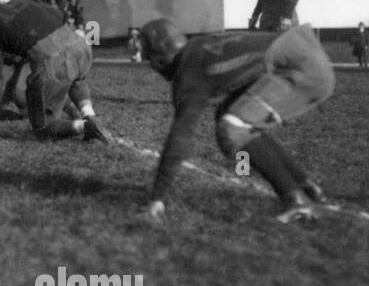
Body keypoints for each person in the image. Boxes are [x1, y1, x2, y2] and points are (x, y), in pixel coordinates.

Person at [139, 18, 335, 224]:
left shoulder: (189, 72)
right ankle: (306, 187)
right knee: (228, 114)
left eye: (150, 58)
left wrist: (157, 197)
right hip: (300, 55)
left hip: (302, 68)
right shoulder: (198, 47)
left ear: (160, 57)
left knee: (233, 129)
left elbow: (180, 138)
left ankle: (296, 200)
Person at [0, 0, 111, 145]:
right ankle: (89, 114)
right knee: (76, 81)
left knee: (42, 130)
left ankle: (85, 126)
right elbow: (57, 14)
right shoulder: (18, 2)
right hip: (79, 44)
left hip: (53, 60)